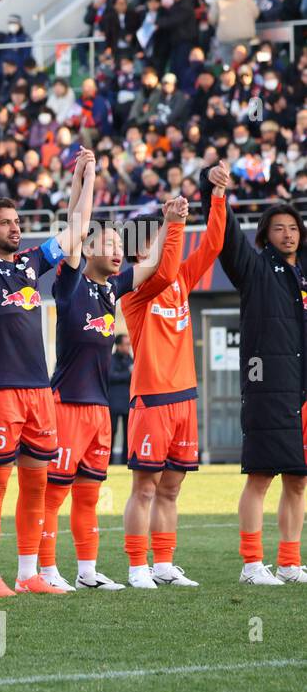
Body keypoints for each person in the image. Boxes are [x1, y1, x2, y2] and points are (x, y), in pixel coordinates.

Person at [0, 114, 92, 596]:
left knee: (36, 485)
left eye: (18, 222)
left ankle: (29, 572)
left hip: (39, 391)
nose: (16, 229)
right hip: (0, 390)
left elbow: (77, 230)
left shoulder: (33, 264)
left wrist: (84, 177)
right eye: (6, 223)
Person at [39, 156, 180, 591]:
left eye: (121, 246)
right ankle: (44, 570)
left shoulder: (111, 289)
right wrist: (87, 178)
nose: (118, 251)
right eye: (110, 245)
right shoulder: (71, 281)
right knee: (54, 494)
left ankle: (86, 572)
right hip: (66, 405)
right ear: (89, 250)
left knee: (88, 494)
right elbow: (76, 226)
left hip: (99, 409)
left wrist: (169, 223)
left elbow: (152, 266)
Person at [117, 167, 229, 589]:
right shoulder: (133, 290)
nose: (158, 246)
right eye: (150, 241)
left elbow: (214, 244)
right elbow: (161, 270)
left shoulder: (181, 279)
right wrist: (174, 223)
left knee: (171, 489)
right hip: (151, 397)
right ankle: (136, 567)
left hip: (184, 396)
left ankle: (163, 564)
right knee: (144, 488)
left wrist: (216, 198)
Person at [216, 181, 307, 585]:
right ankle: (252, 564)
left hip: (300, 393)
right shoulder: (253, 268)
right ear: (265, 234)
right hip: (267, 391)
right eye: (279, 228)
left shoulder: (302, 276)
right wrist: (216, 193)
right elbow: (227, 237)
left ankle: (289, 562)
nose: (288, 234)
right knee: (261, 476)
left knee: (299, 479)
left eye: (293, 227)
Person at [108, 333, 133, 462]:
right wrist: (128, 374)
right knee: (111, 433)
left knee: (128, 435)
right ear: (118, 346)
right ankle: (108, 460)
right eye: (126, 344)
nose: (128, 347)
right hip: (113, 402)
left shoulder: (130, 359)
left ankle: (125, 460)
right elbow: (110, 376)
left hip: (128, 403)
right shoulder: (111, 359)